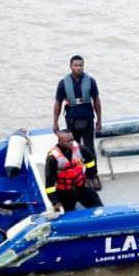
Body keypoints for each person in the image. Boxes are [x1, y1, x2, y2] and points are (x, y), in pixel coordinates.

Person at [52, 55, 102, 189]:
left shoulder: (91, 81)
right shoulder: (63, 83)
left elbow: (96, 100)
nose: (78, 68)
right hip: (72, 120)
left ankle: (93, 176)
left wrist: (99, 119)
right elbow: (58, 103)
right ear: (70, 66)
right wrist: (55, 122)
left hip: (87, 119)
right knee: (74, 148)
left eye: (81, 65)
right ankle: (79, 176)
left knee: (89, 148)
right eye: (76, 65)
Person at [44, 130, 103, 213]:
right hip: (65, 193)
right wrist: (55, 202)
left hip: (82, 186)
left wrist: (89, 176)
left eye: (72, 140)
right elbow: (49, 184)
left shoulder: (79, 148)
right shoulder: (52, 158)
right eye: (67, 141)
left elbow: (90, 159)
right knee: (67, 214)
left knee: (99, 208)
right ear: (60, 141)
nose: (71, 143)